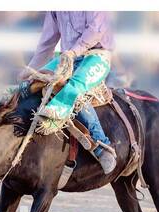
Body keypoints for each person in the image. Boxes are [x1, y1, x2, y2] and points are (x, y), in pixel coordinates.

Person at [23, 12, 118, 174]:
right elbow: (47, 40)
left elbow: (96, 29)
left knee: (74, 87)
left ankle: (102, 146)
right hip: (68, 58)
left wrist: (73, 52)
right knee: (31, 84)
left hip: (96, 56)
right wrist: (31, 68)